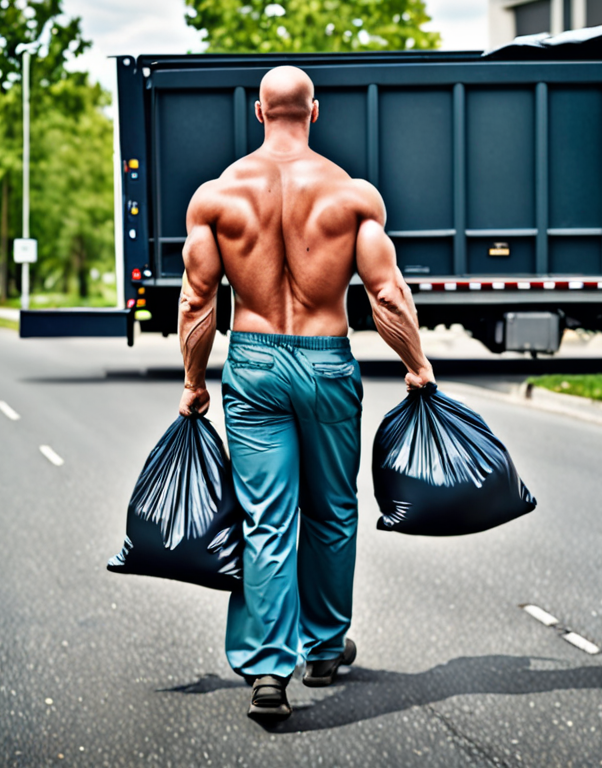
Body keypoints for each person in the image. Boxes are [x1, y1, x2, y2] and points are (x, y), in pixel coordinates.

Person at [176, 65, 435, 722]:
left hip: (255, 362)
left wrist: (193, 383)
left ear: (259, 113)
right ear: (313, 112)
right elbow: (386, 295)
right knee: (333, 513)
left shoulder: (217, 197)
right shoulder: (352, 196)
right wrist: (417, 365)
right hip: (326, 361)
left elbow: (196, 301)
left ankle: (268, 669)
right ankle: (321, 648)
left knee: (267, 518)